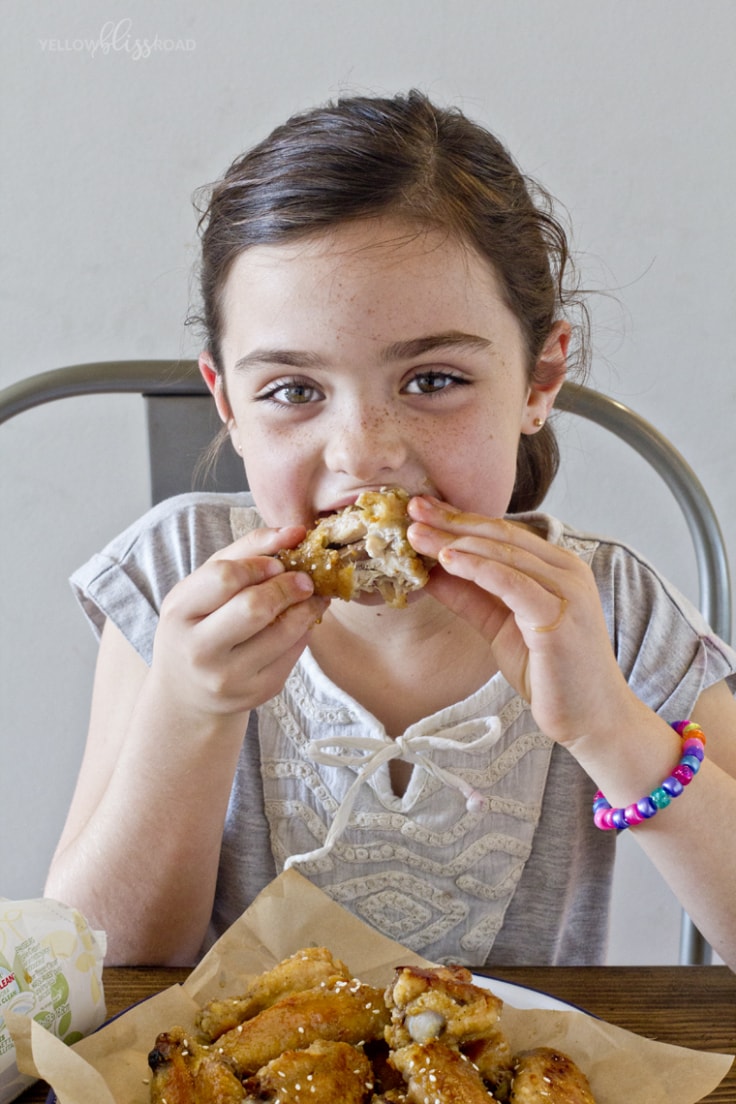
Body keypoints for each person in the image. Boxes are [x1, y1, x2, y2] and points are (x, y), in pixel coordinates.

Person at [45, 91, 736, 969]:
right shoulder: (174, 576)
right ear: (229, 404)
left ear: (539, 380)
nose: (364, 454)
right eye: (293, 391)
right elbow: (89, 971)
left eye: (434, 380)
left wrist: (611, 726)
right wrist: (190, 711)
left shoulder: (609, 610)